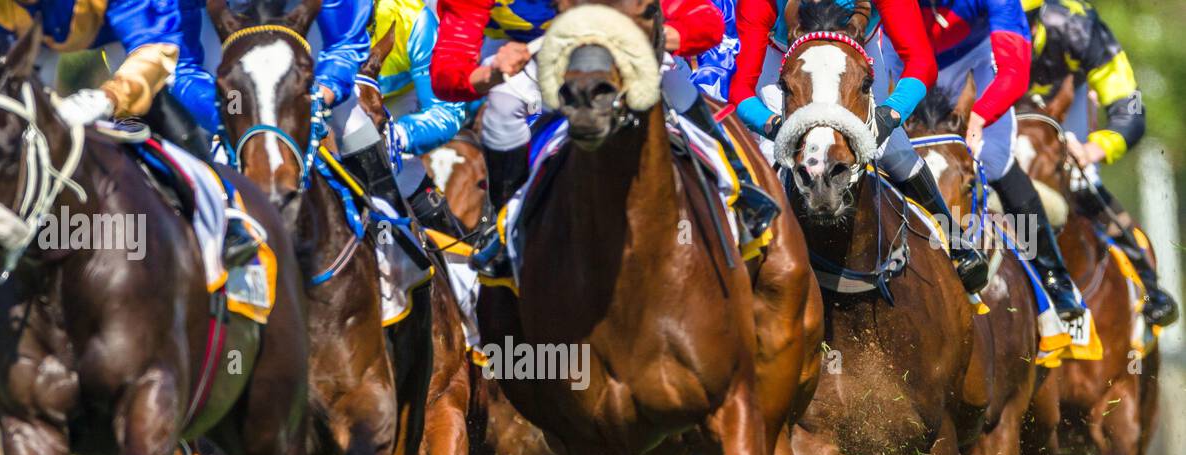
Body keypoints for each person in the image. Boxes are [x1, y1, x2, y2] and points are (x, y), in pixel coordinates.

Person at [430, 0, 781, 262]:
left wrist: (664, 35)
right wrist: (490, 74)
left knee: (676, 83)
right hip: (533, 51)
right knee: (504, 103)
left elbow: (705, 21)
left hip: (621, 47)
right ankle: (503, 229)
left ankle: (741, 191)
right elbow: (447, 72)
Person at [0, 0, 258, 265]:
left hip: (129, 25)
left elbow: (159, 53)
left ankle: (224, 213)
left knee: (164, 94)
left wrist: (108, 98)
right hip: (28, 35)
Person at [727, 0, 991, 294]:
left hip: (854, 57)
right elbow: (740, 88)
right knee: (767, 154)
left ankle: (956, 244)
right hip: (785, 62)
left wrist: (891, 114)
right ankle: (742, 263)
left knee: (894, 151)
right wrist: (774, 126)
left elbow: (921, 62)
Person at [897, 0, 1083, 319]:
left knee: (994, 159)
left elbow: (1015, 71)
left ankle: (1055, 279)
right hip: (907, 60)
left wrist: (981, 116)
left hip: (975, 61)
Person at [1023, 0, 1177, 325]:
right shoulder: (971, 19)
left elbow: (1129, 109)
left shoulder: (1077, 26)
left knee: (1080, 181)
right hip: (998, 100)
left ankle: (1148, 283)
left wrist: (1093, 149)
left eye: (1021, 21)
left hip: (1063, 96)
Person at [368, 0, 468, 233]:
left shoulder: (414, 19)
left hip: (396, 102)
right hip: (333, 104)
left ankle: (455, 257)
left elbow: (447, 111)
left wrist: (400, 135)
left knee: (404, 173)